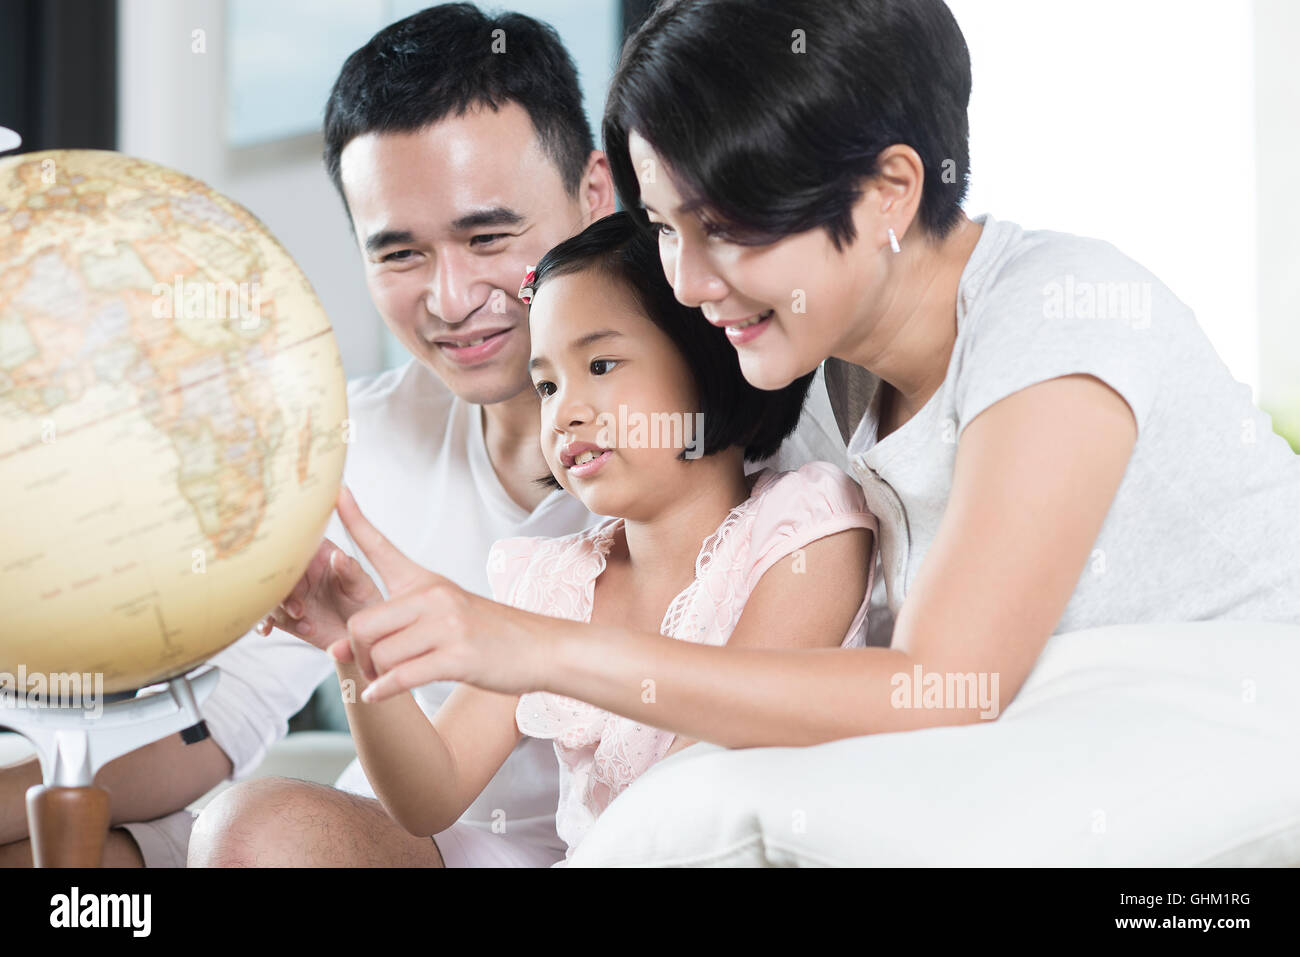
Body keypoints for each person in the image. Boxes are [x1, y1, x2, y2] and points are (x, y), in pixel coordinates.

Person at [330, 0, 1300, 866]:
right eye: (667, 228)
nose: (690, 283)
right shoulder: (827, 369)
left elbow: (943, 686)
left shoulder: (1058, 319)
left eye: (729, 230)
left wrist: (534, 649)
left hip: (1232, 750)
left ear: (887, 191)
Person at [0, 3, 843, 869]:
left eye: (488, 235)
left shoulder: (781, 443)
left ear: (597, 189)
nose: (450, 298)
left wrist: (519, 643)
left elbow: (801, 716)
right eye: (399, 254)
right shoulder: (384, 469)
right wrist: (357, 648)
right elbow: (227, 726)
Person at [252, 211, 876, 866]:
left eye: (601, 364)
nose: (565, 410)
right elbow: (430, 794)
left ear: (709, 356)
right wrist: (355, 651)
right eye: (546, 383)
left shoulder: (805, 528)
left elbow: (715, 760)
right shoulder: (551, 585)